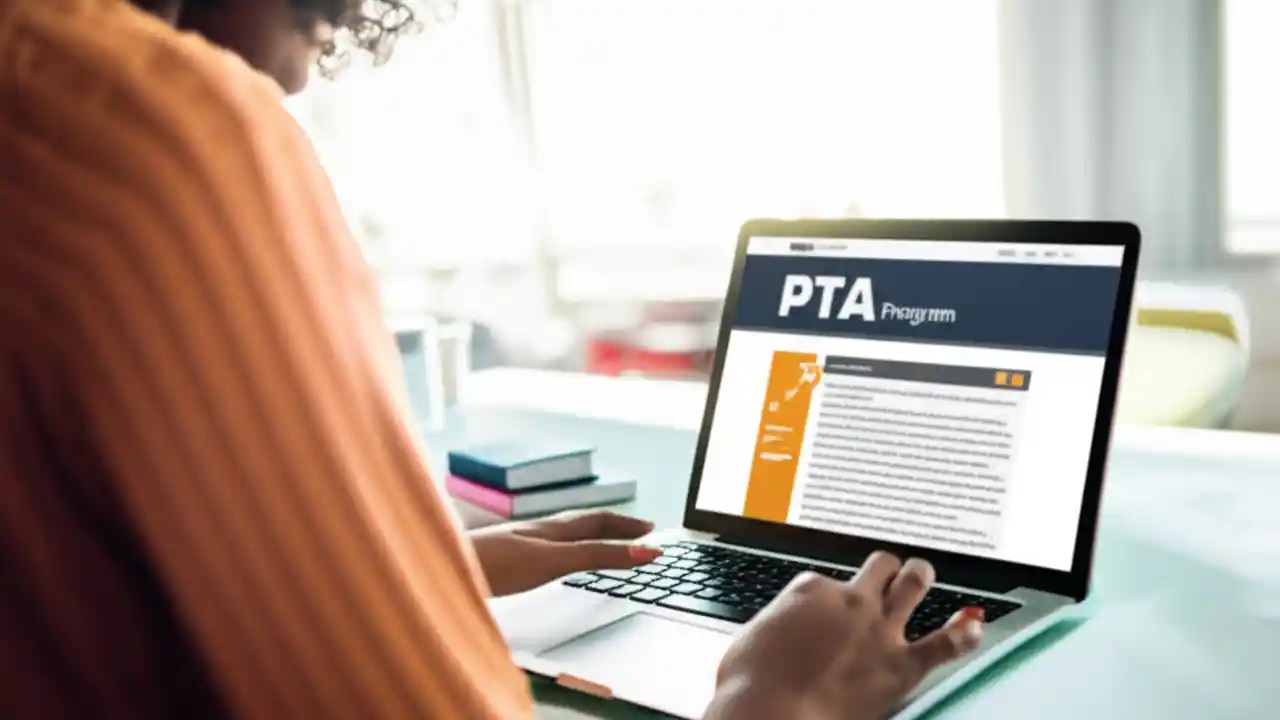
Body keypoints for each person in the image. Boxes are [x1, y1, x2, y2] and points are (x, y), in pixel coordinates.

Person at [0, 0, 984, 717]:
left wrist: (393, 576)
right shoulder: (148, 133)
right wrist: (772, 703)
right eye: (313, 16)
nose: (300, 74)